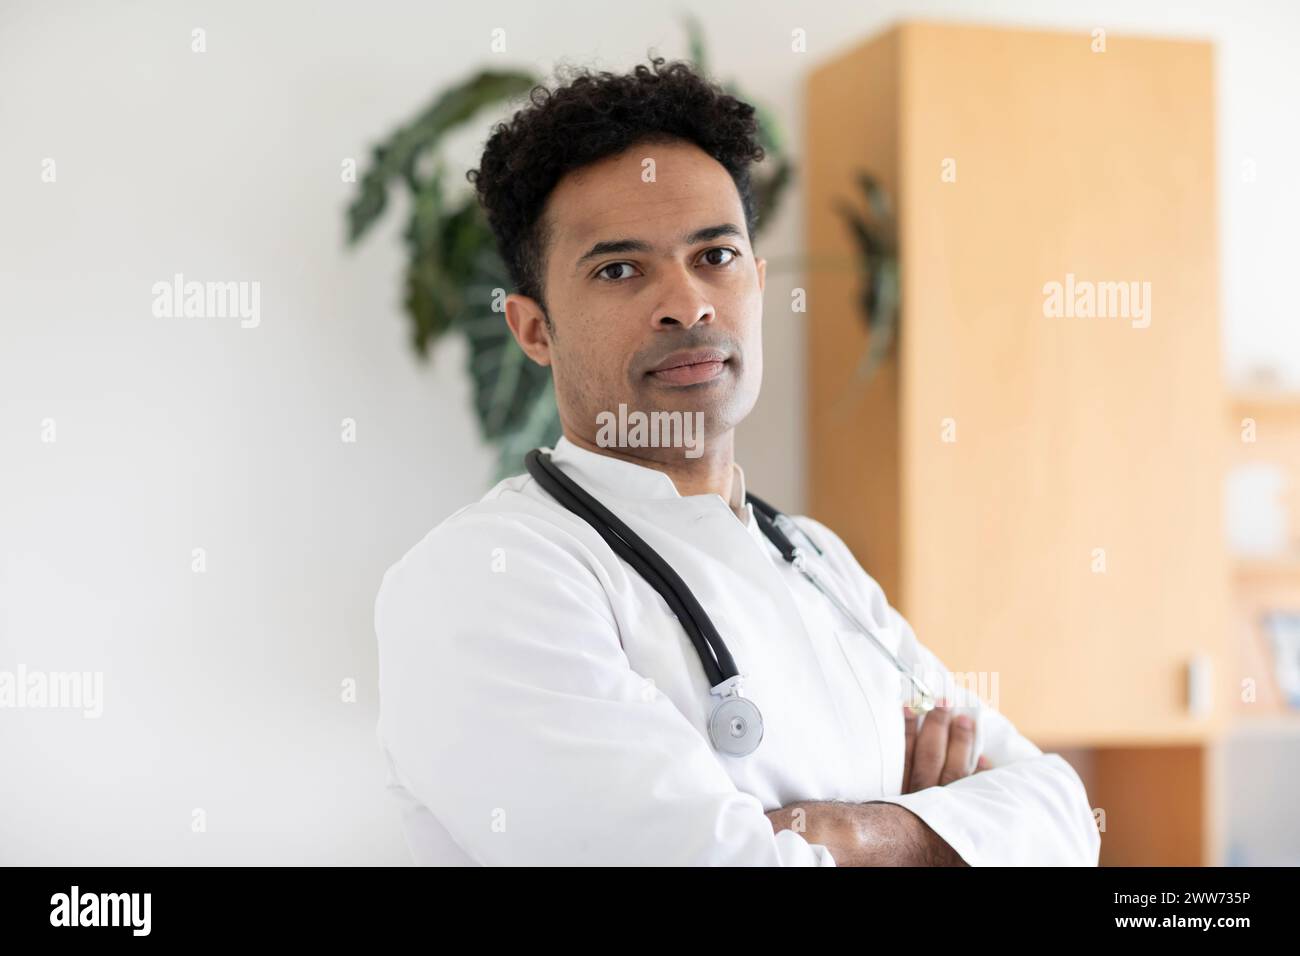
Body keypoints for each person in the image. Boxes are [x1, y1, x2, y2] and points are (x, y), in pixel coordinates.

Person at [374, 57, 1101, 866]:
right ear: (532, 329)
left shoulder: (815, 560)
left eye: (714, 256)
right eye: (620, 269)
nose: (687, 303)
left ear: (756, 282)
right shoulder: (492, 575)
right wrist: (938, 834)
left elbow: (1061, 818)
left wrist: (848, 831)